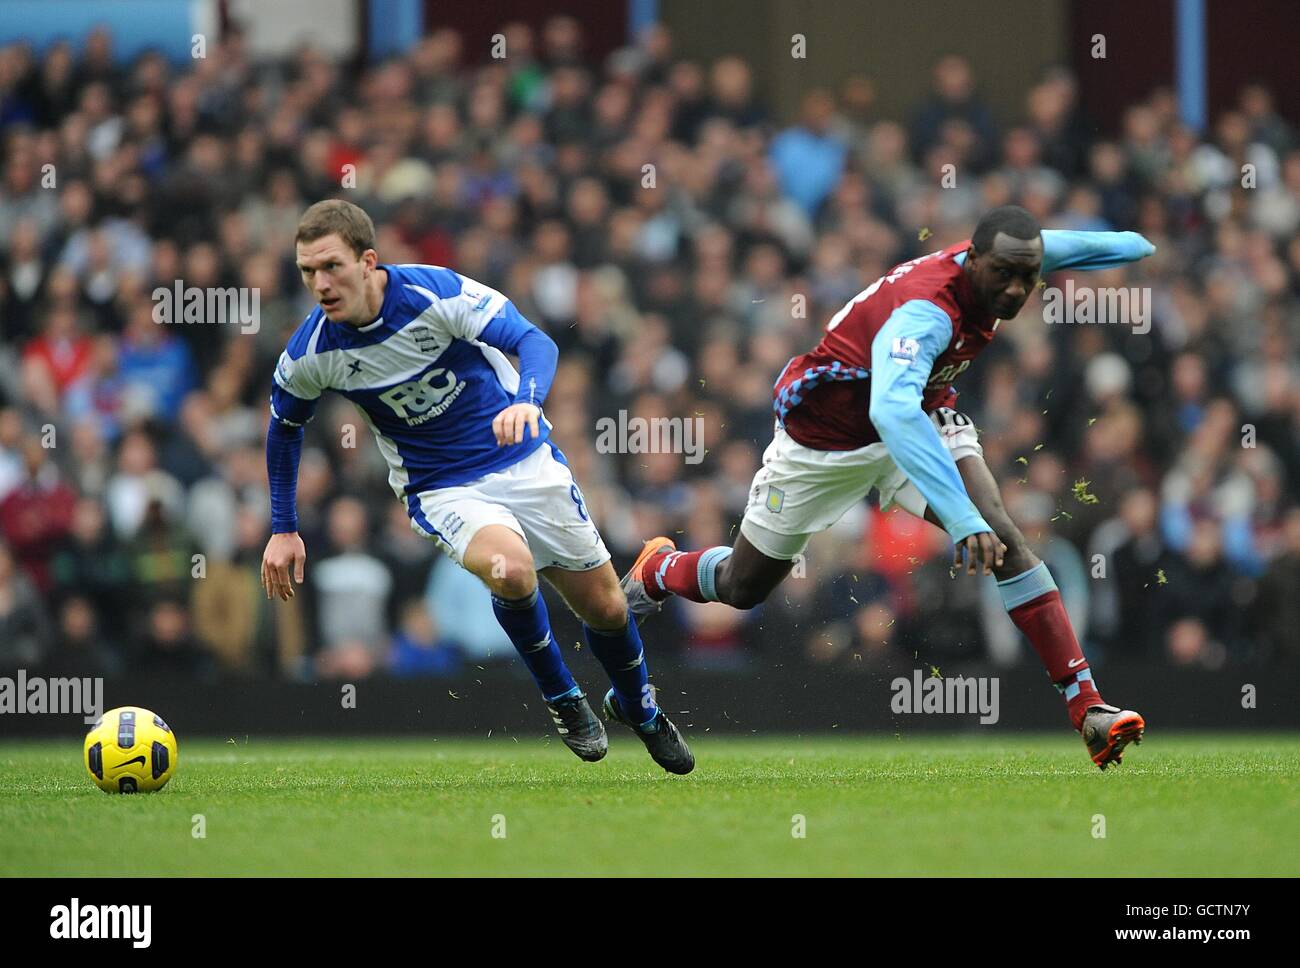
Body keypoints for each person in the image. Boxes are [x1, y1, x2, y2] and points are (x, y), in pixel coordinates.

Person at [624, 205, 1152, 769]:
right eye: (1005, 275)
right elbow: (890, 410)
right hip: (827, 441)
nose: (1018, 288)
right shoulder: (926, 314)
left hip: (921, 419)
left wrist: (1139, 244)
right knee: (742, 585)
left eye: (1029, 277)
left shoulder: (1005, 264)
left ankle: (1087, 707)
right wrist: (960, 517)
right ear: (973, 262)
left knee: (1007, 540)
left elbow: (1078, 247)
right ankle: (661, 568)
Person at [261, 199, 691, 774]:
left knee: (609, 608)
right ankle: (563, 697)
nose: (320, 283)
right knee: (511, 570)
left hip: (522, 459)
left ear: (368, 261)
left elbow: (536, 341)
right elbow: (283, 429)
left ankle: (640, 709)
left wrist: (526, 402)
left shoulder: (436, 295)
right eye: (307, 271)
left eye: (331, 266)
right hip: (441, 487)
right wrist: (284, 528)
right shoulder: (313, 352)